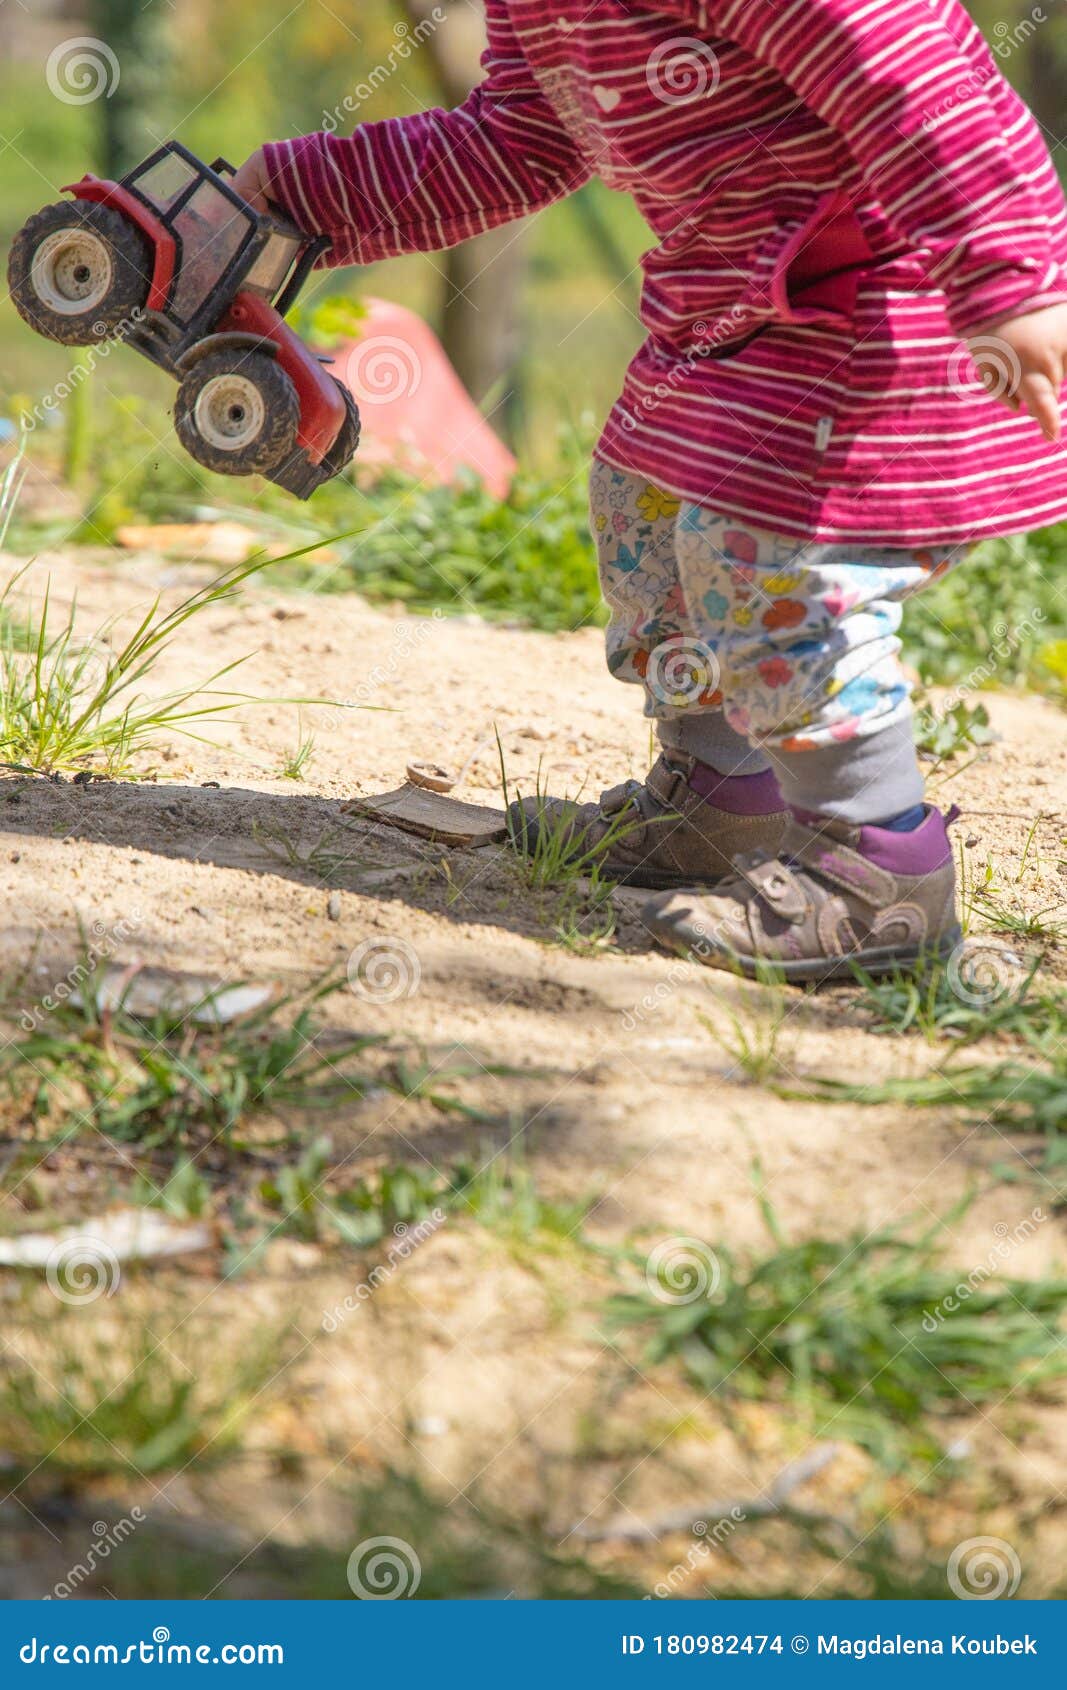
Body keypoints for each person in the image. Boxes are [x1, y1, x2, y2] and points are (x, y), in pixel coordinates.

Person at [234, 0, 1067, 981]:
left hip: (878, 313)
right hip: (731, 325)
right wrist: (301, 196)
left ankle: (880, 867)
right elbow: (514, 141)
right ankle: (720, 802)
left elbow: (910, 72)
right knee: (648, 507)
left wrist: (1014, 283)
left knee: (769, 559)